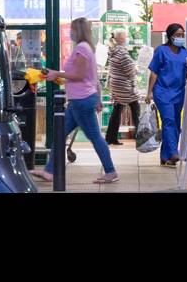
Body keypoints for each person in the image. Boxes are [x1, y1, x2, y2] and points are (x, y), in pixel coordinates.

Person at [31, 17, 118, 184]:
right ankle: (50, 171)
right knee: (60, 133)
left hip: (81, 100)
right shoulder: (86, 48)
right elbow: (92, 78)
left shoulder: (81, 48)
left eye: (72, 29)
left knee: (95, 137)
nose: (70, 32)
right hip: (80, 99)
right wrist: (97, 97)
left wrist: (57, 73)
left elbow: (79, 75)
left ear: (78, 30)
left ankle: (110, 171)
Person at [145, 23, 187, 166]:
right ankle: (173, 152)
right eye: (177, 35)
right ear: (170, 36)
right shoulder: (161, 50)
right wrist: (149, 92)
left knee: (176, 124)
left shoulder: (185, 53)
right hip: (162, 91)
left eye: (182, 35)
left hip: (178, 92)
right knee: (168, 121)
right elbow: (154, 72)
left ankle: (165, 156)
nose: (180, 37)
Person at [103, 29, 140, 146]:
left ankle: (110, 137)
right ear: (122, 39)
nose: (127, 38)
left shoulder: (113, 51)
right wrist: (136, 69)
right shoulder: (122, 53)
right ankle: (140, 137)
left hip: (116, 87)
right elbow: (130, 71)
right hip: (125, 88)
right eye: (126, 36)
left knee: (117, 111)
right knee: (136, 111)